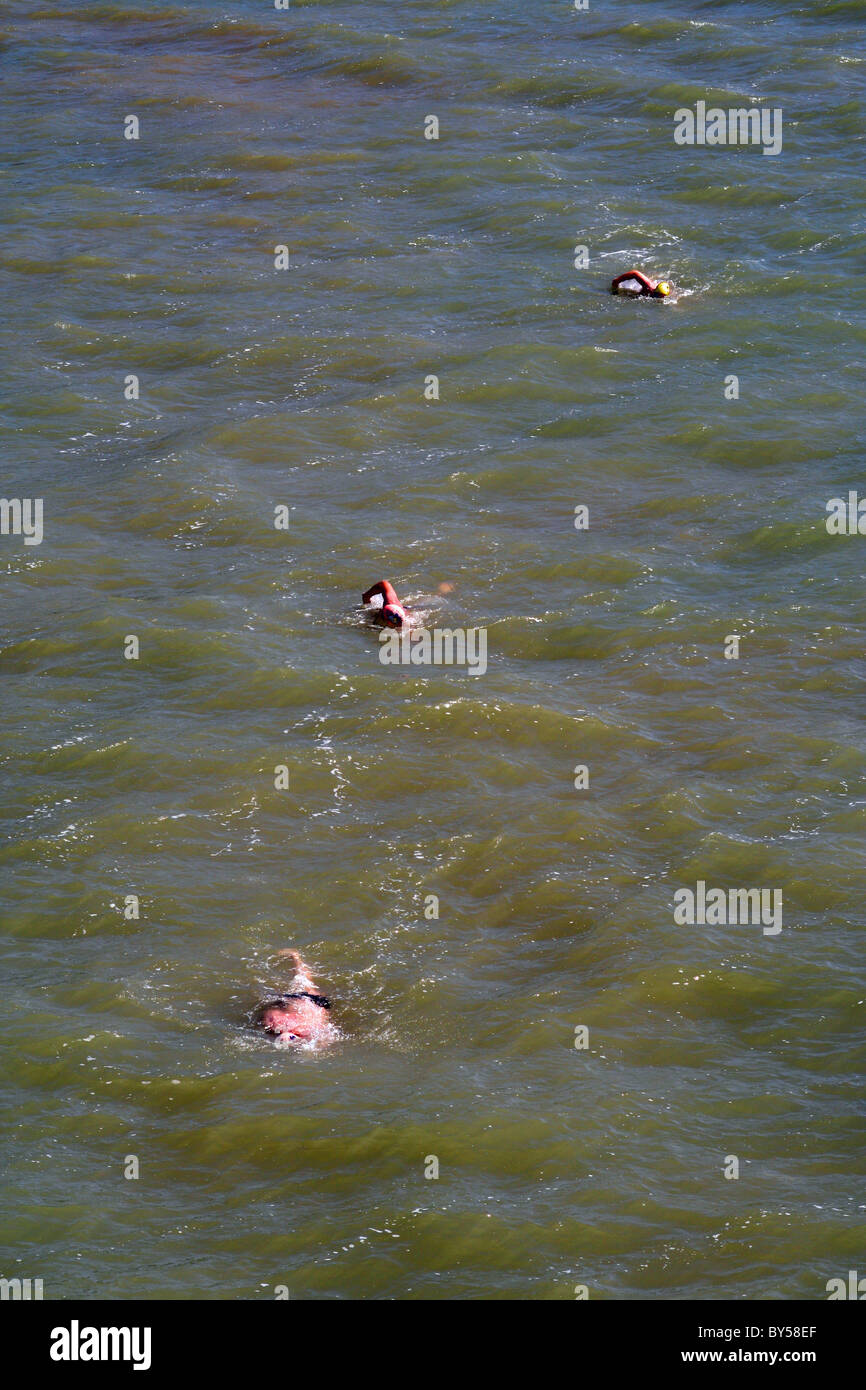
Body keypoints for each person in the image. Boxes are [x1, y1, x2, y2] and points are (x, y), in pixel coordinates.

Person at [253, 950, 336, 1047]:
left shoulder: (276, 1023)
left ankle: (295, 956)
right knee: (304, 982)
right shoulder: (310, 1031)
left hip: (308, 1004)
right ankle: (295, 956)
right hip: (311, 1004)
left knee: (304, 982)